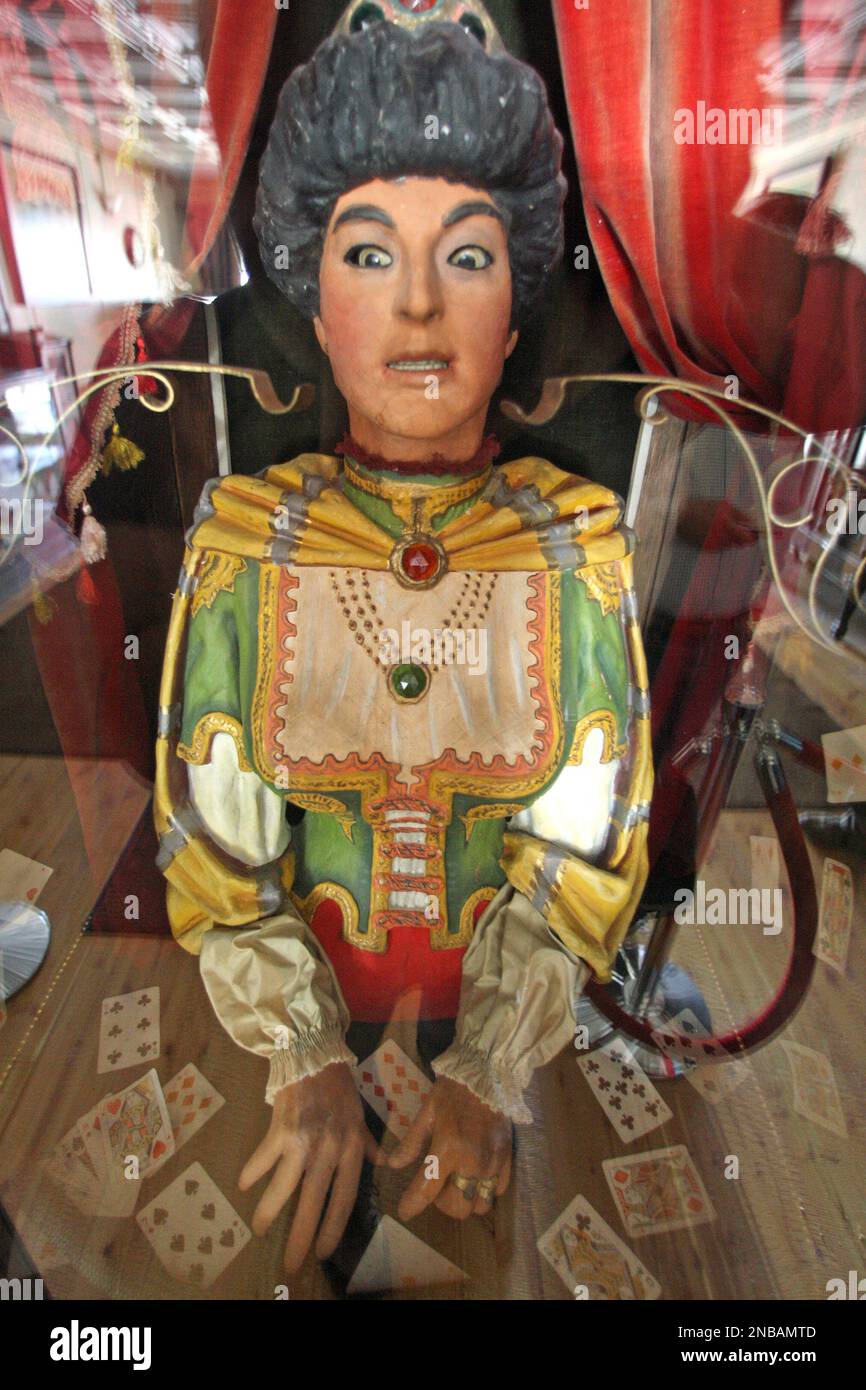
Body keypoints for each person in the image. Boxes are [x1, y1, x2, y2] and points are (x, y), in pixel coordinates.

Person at [154, 10, 652, 1278]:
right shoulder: (246, 546)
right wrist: (304, 1055)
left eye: (467, 258)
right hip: (269, 1057)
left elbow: (584, 857)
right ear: (313, 308)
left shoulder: (572, 553)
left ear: (515, 304)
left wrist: (489, 1069)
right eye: (369, 254)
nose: (420, 303)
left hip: (524, 1071)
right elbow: (217, 858)